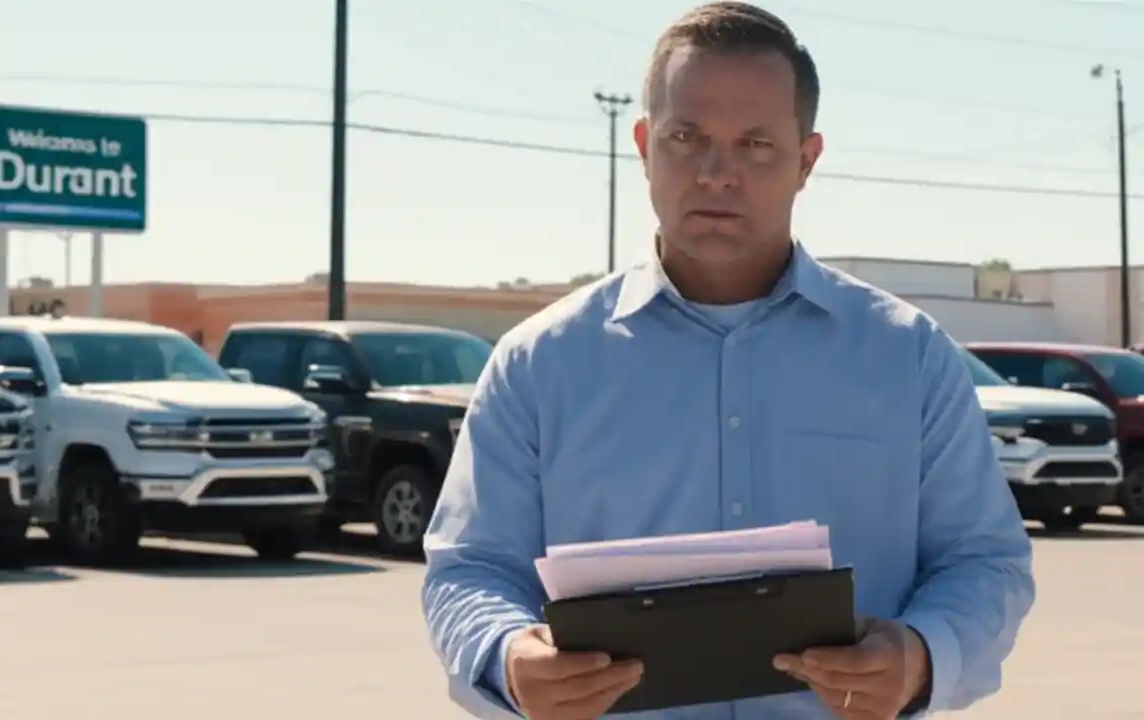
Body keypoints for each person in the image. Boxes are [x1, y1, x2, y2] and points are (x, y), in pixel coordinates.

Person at [421, 2, 1035, 718]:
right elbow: (470, 569)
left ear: (807, 161)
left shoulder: (909, 357)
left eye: (755, 144)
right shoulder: (538, 364)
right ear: (645, 145)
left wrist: (921, 655)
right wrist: (505, 654)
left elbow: (983, 560)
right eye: (687, 137)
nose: (718, 172)